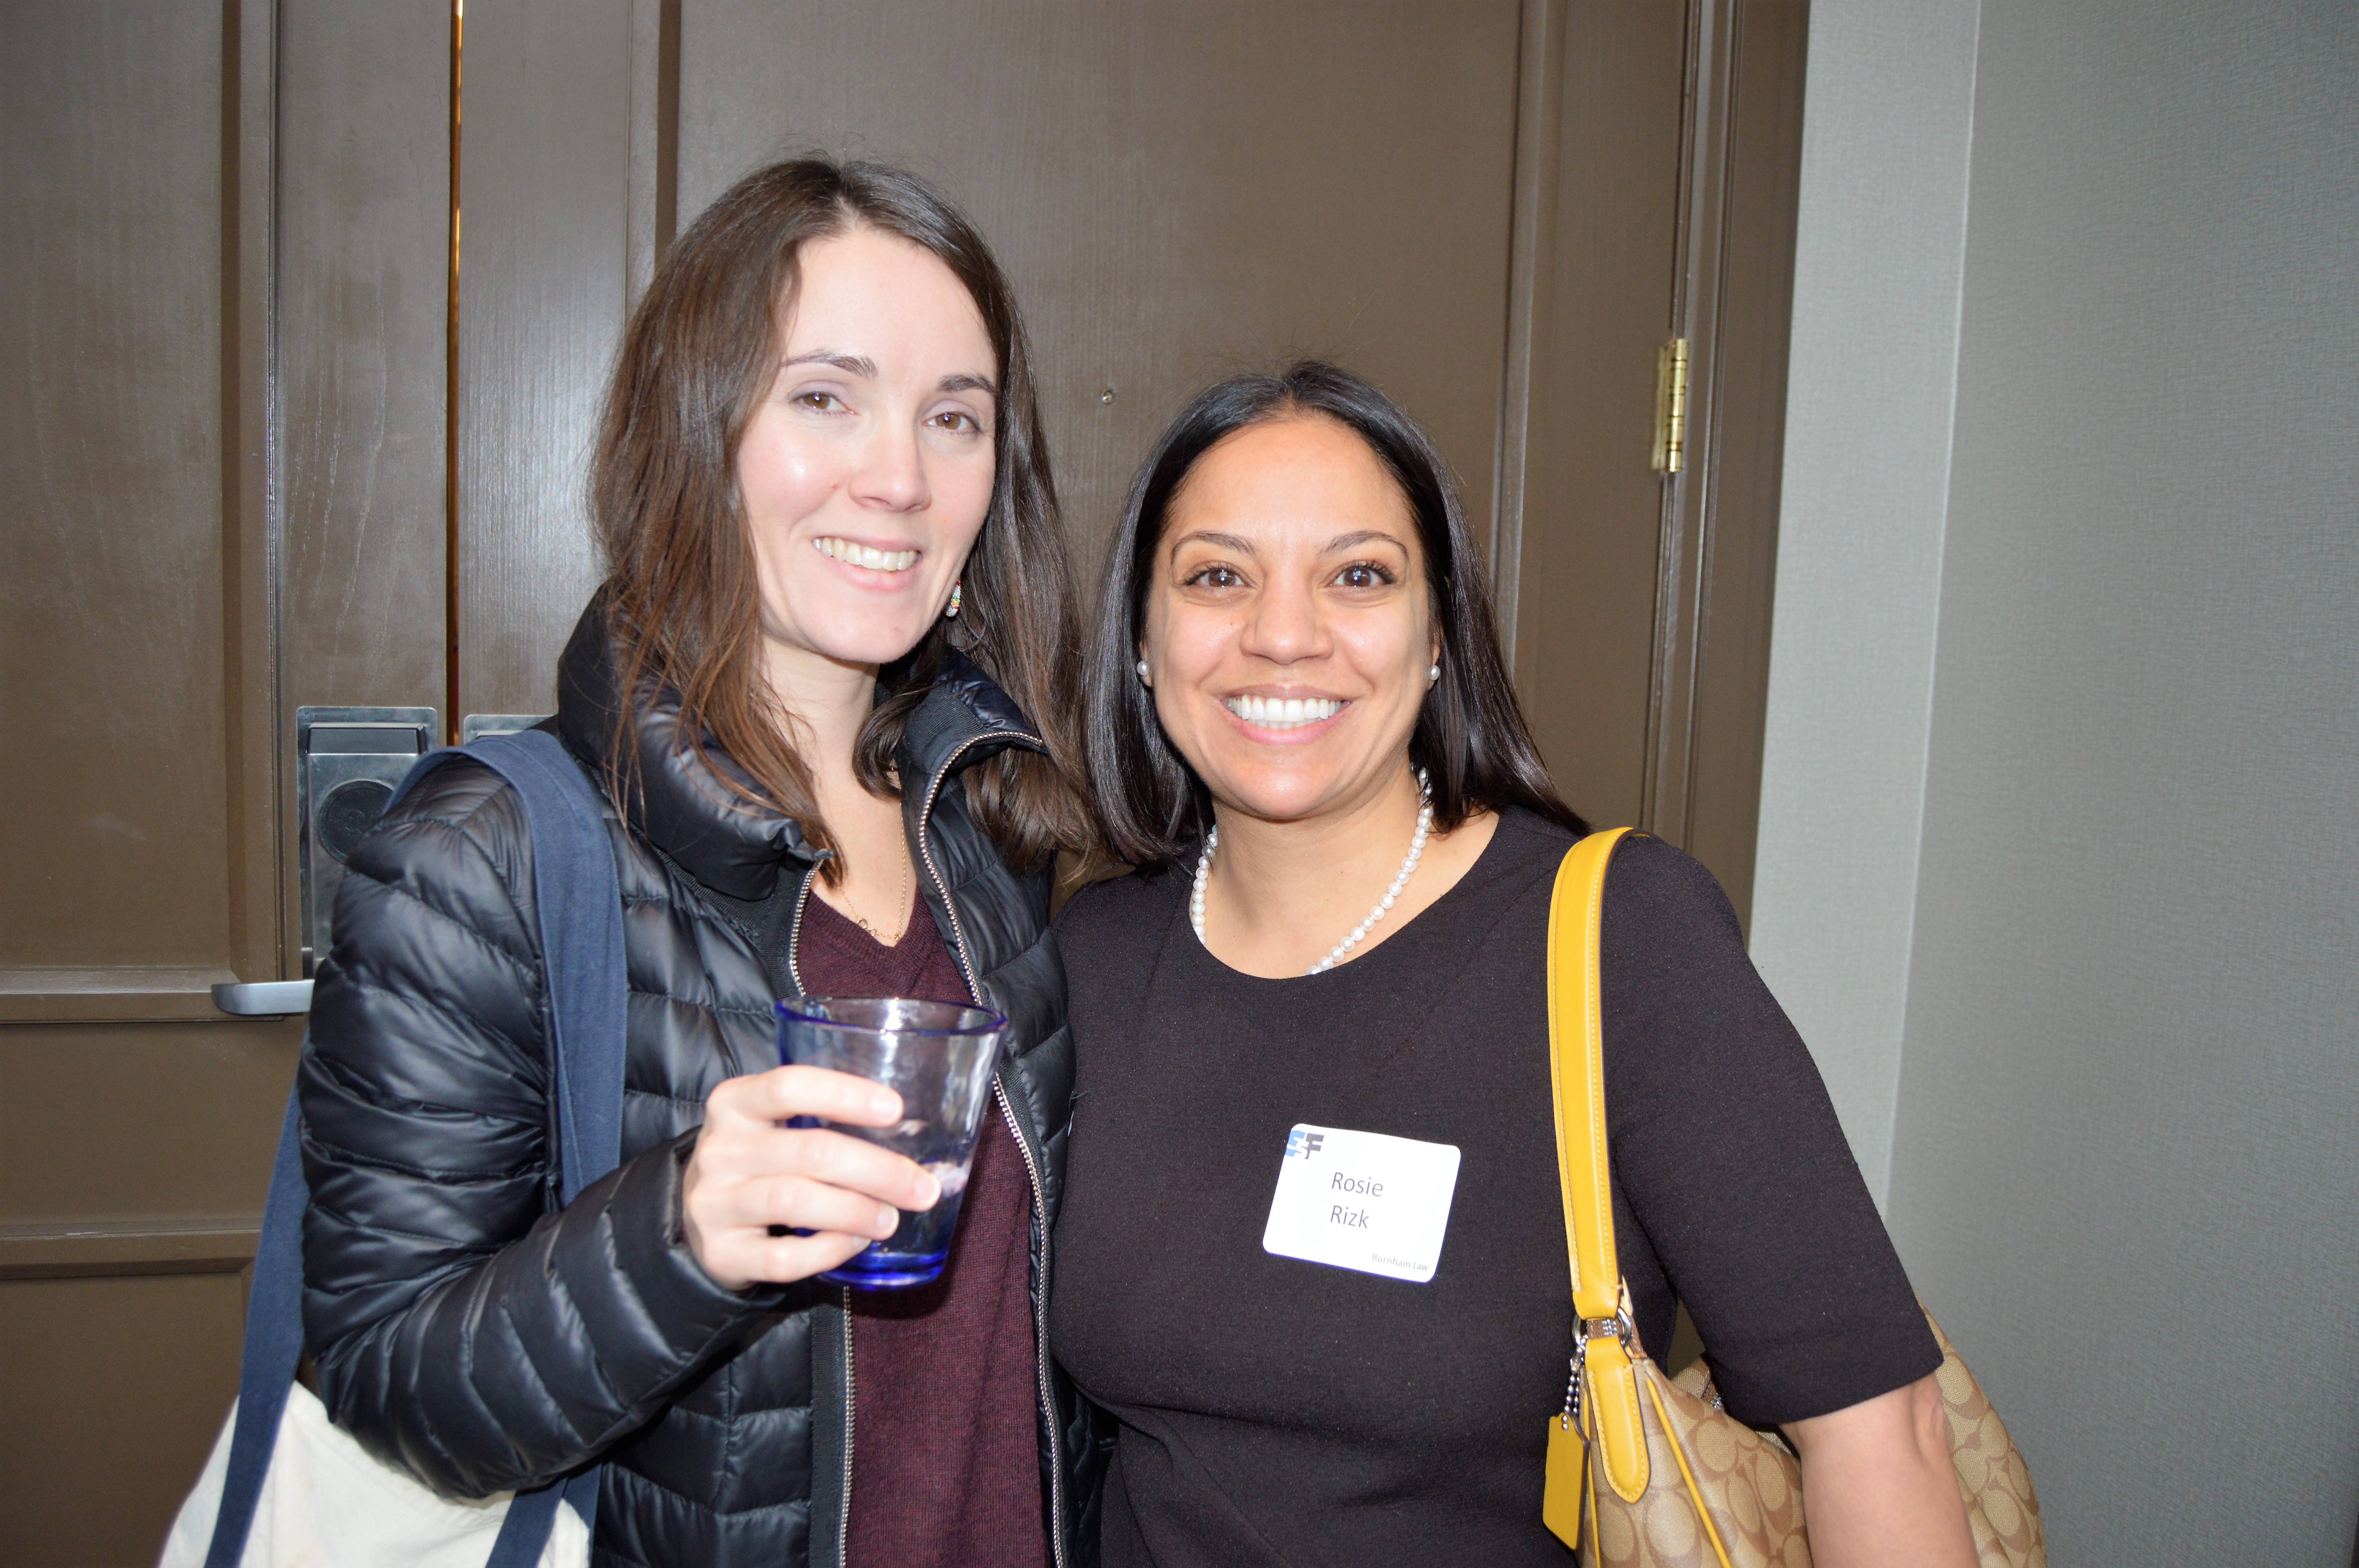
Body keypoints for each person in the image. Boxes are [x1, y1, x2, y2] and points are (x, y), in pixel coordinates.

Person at [298, 158, 1100, 1568]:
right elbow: (381, 1379)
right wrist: (675, 1234)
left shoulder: (992, 830)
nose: (902, 477)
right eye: (824, 397)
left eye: (953, 418)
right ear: (698, 431)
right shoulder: (485, 856)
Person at [1049, 362, 1979, 1567]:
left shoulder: (1618, 941)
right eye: (1218, 576)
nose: (1283, 633)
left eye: (1360, 575)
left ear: (1439, 637)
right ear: (1142, 635)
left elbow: (1879, 1434)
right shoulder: (1090, 956)